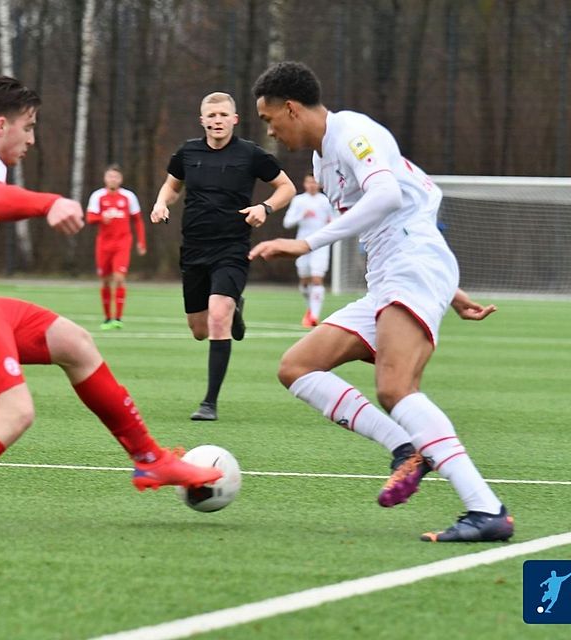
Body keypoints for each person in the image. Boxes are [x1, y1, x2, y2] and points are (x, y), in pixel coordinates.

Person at [0, 76, 222, 538]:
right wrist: (49, 204)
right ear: (1, 125)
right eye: (28, 127)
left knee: (74, 342)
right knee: (14, 412)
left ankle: (150, 460)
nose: (32, 139)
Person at [249, 61, 514, 542]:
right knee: (297, 367)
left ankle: (486, 509)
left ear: (291, 108)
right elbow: (390, 211)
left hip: (412, 265)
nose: (270, 131)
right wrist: (451, 292)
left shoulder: (354, 132)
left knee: (395, 388)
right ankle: (406, 447)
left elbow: (388, 196)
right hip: (395, 275)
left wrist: (307, 243)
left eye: (269, 120)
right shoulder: (320, 162)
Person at [150, 92, 296, 422]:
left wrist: (265, 207)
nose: (217, 121)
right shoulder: (187, 152)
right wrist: (161, 204)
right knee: (199, 329)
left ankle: (209, 403)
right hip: (194, 249)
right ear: (202, 120)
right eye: (211, 115)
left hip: (231, 248)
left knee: (218, 316)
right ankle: (235, 308)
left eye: (223, 115)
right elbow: (172, 187)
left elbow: (287, 187)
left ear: (234, 120)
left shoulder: (251, 154)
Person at [85, 164, 146, 330]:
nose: (113, 179)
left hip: (122, 243)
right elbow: (89, 218)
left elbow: (138, 220)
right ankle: (107, 318)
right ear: (105, 178)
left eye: (116, 177)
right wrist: (101, 218)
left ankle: (118, 318)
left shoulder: (128, 197)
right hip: (104, 244)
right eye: (110, 176)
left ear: (121, 179)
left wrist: (141, 241)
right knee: (105, 281)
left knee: (119, 278)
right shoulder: (97, 196)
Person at [282, 174, 336, 327]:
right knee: (305, 282)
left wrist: (331, 222)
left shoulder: (326, 201)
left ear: (320, 184)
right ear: (305, 184)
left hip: (321, 245)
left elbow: (336, 220)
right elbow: (287, 223)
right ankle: (310, 309)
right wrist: (301, 215)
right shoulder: (299, 200)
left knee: (317, 278)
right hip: (302, 244)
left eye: (315, 182)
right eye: (309, 182)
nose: (312, 185)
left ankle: (314, 316)